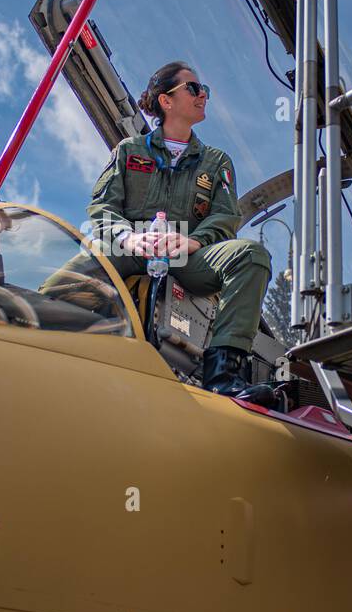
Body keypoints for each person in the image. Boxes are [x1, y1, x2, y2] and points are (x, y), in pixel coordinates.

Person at [87, 61, 276, 406]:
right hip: (133, 247)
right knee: (85, 260)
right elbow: (102, 208)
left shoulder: (216, 161)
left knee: (251, 256)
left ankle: (224, 376)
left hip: (188, 253)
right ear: (166, 101)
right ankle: (29, 320)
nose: (203, 94)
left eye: (204, 90)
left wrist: (194, 241)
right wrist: (128, 238)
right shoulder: (129, 151)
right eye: (193, 88)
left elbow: (224, 215)